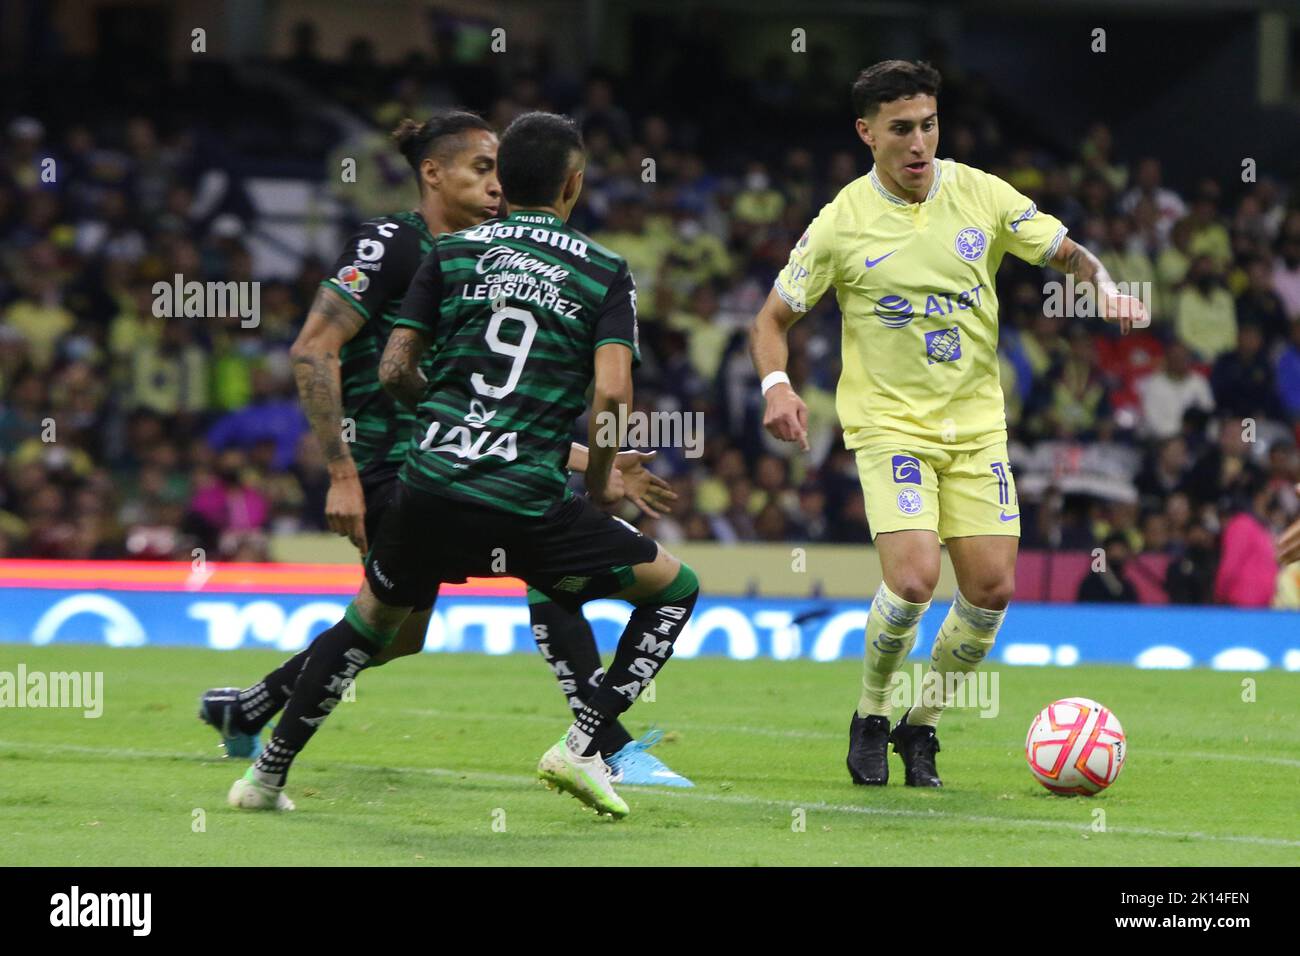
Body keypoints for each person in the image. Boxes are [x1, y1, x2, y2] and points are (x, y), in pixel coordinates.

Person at [226, 111, 700, 819]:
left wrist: (451, 417)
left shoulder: (453, 256)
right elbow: (608, 391)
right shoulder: (601, 270)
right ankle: (590, 743)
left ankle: (262, 774)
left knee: (372, 626)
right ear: (573, 184)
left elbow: (395, 368)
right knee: (670, 587)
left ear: (506, 180)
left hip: (428, 480)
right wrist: (598, 478)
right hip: (507, 491)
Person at [749, 60, 1146, 787]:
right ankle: (871, 714)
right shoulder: (841, 221)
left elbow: (1068, 251)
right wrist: (778, 385)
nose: (918, 142)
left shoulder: (981, 194)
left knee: (992, 588)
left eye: (928, 125)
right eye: (901, 129)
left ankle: (919, 727)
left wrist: (1107, 287)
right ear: (867, 133)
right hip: (890, 426)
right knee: (914, 580)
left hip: (976, 429)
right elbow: (770, 319)